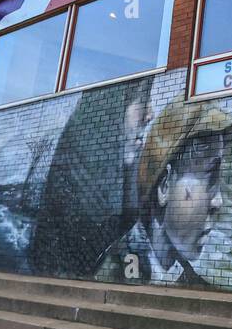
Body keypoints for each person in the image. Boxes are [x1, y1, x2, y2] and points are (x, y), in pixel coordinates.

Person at [94, 99, 232, 285]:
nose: (218, 201)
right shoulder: (113, 272)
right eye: (208, 176)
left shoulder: (191, 283)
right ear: (164, 186)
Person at [28, 76, 154, 278]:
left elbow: (127, 219)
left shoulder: (109, 176)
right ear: (112, 115)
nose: (150, 114)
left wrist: (129, 161)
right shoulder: (75, 193)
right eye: (142, 102)